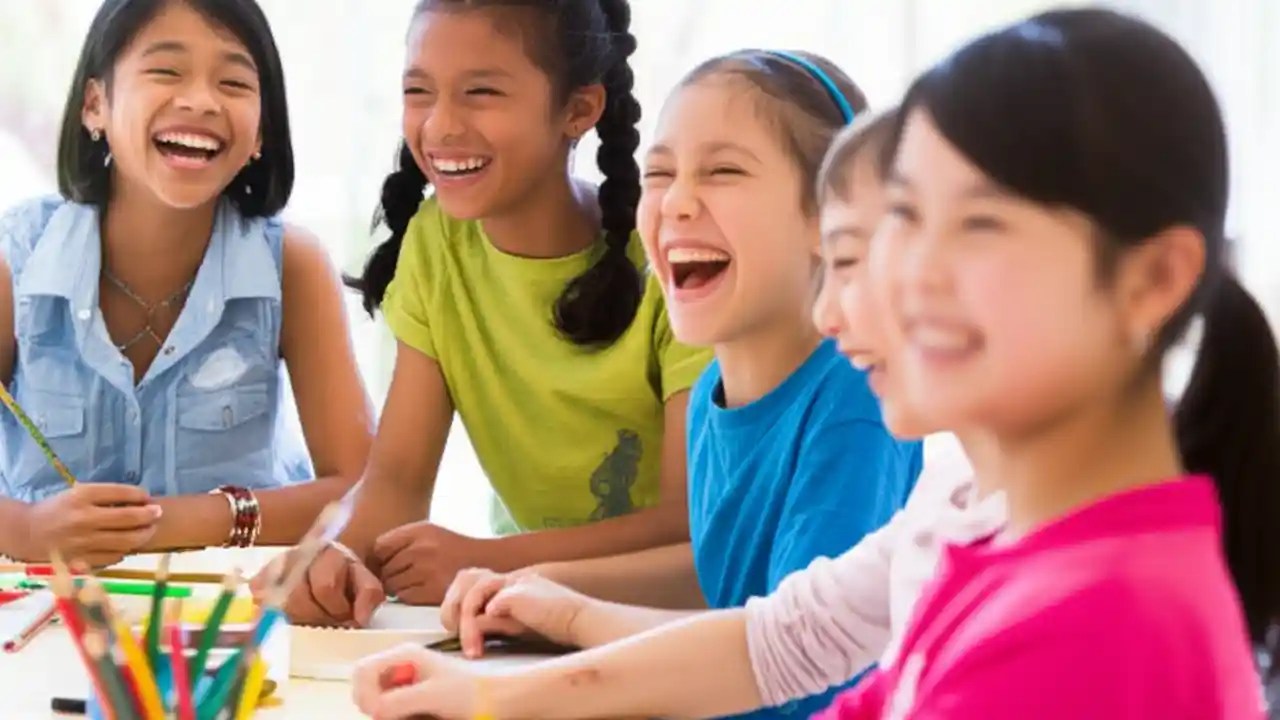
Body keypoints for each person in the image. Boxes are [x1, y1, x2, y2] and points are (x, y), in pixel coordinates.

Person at [345, 101, 990, 720]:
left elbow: (795, 679)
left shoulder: (853, 407)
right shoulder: (948, 508)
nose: (832, 314)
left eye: (860, 263)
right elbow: (776, 639)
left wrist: (519, 665)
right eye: (660, 173)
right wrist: (549, 618)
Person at [814, 8, 1278, 718]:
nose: (913, 274)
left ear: (1153, 280)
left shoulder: (1094, 628)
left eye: (980, 224)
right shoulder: (1016, 560)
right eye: (905, 216)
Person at [274, 0, 711, 622]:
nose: (440, 125)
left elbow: (687, 525)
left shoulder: (673, 252)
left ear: (579, 109)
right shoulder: (438, 243)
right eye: (419, 91)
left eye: (481, 93)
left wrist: (491, 560)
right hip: (530, 619)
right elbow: (396, 481)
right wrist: (335, 553)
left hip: (673, 620)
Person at [0, 0, 372, 567]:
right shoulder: (16, 259)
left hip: (231, 606)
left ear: (261, 131)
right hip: (47, 605)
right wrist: (24, 529)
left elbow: (365, 490)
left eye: (233, 82)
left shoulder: (291, 265)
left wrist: (179, 521)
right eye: (166, 71)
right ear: (95, 105)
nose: (200, 101)